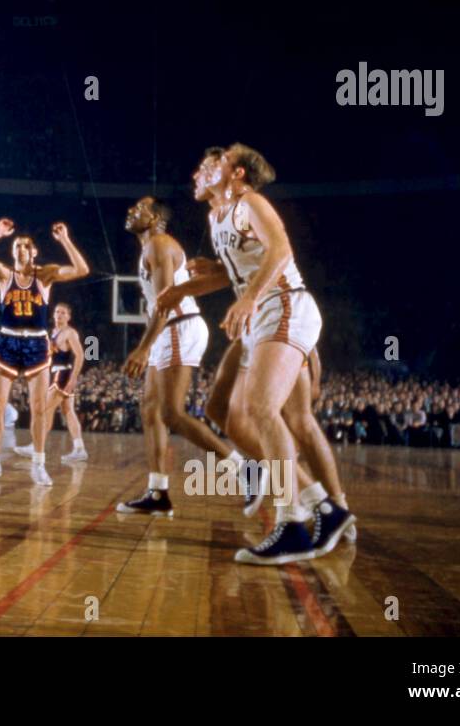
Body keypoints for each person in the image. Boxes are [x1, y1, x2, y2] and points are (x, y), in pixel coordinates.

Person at [199, 143, 354, 563]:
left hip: (282, 306)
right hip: (265, 316)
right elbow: (246, 266)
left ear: (238, 174)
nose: (206, 167)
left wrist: (249, 297)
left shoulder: (251, 201)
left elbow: (282, 251)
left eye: (220, 160)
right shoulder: (219, 215)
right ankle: (328, 508)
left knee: (263, 411)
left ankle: (292, 525)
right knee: (239, 416)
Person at [119, 197, 237, 517]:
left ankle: (241, 469)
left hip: (177, 325)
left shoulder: (158, 243)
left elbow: (165, 301)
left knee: (171, 412)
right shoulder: (151, 247)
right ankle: (158, 492)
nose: (131, 211)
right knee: (150, 411)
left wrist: (143, 348)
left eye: (139, 208)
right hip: (169, 328)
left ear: (156, 217)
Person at [0, 219, 88, 485]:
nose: (21, 249)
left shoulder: (44, 275)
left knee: (39, 408)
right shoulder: (3, 274)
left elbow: (82, 268)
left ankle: (39, 464)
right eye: (17, 245)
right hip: (8, 342)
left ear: (34, 252)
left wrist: (65, 240)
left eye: (26, 246)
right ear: (13, 252)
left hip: (36, 344)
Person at [16, 303, 88, 462]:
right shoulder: (52, 333)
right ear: (53, 315)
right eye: (57, 312)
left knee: (42, 409)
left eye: (63, 313)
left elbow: (80, 356)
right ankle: (79, 448)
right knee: (68, 411)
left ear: (68, 317)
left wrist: (73, 378)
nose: (59, 315)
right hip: (55, 373)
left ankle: (35, 446)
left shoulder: (70, 333)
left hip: (63, 374)